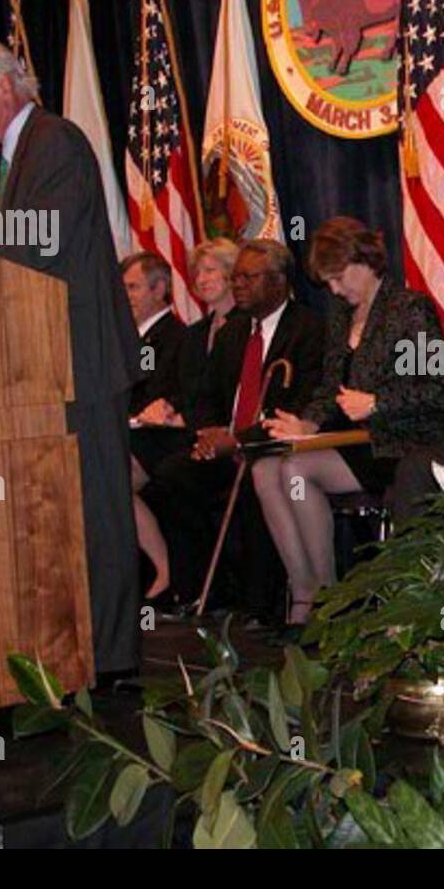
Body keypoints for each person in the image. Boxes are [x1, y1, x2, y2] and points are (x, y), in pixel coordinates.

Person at [0, 35, 142, 680]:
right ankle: (74, 645)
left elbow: (42, 242)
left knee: (97, 510)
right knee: (68, 510)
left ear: (2, 86)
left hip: (85, 359)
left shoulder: (56, 142)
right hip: (50, 360)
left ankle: (112, 659)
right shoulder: (18, 156)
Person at [252, 217, 444, 627]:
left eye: (338, 277)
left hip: (404, 441)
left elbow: (442, 388)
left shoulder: (408, 310)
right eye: (327, 281)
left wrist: (379, 402)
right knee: (263, 471)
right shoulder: (340, 317)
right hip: (356, 440)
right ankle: (304, 589)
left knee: (295, 470)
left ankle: (328, 599)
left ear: (364, 261)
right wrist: (307, 425)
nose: (334, 289)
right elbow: (331, 387)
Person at [144, 239, 323, 622]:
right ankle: (201, 591)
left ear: (277, 281)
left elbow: (299, 406)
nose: (237, 285)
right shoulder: (234, 331)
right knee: (172, 475)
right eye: (236, 277)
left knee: (255, 483)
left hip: (271, 446)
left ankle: (262, 607)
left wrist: (238, 440)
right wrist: (209, 432)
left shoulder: (307, 329)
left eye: (247, 277)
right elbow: (205, 395)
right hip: (228, 445)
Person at [129, 239, 240, 600]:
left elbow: (228, 395)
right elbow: (192, 392)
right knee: (116, 468)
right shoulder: (196, 334)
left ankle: (182, 579)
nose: (202, 279)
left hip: (228, 437)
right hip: (186, 432)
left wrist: (181, 417)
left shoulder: (247, 329)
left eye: (211, 270)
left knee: (168, 472)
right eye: (197, 272)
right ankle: (168, 575)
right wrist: (177, 413)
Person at [122, 252, 185, 419]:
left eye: (133, 287)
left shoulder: (175, 337)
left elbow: (144, 390)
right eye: (122, 289)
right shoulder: (134, 338)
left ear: (159, 289)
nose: (124, 296)